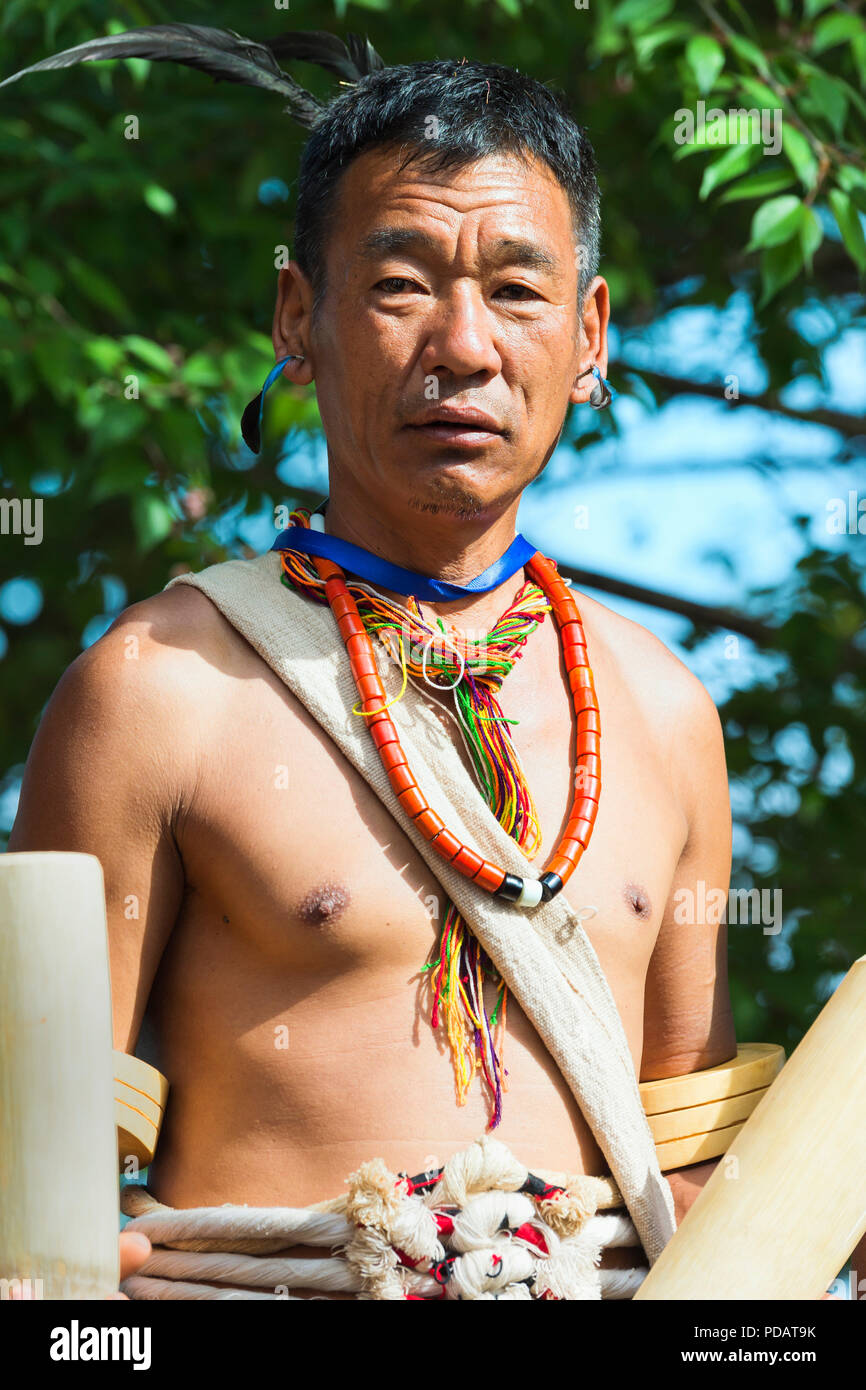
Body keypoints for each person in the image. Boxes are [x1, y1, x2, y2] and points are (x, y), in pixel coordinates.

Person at [8, 44, 740, 1300]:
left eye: (517, 290)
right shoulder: (152, 688)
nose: (461, 346)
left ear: (591, 333)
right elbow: (30, 1161)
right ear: (297, 316)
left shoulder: (664, 713)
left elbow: (695, 1161)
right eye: (400, 284)